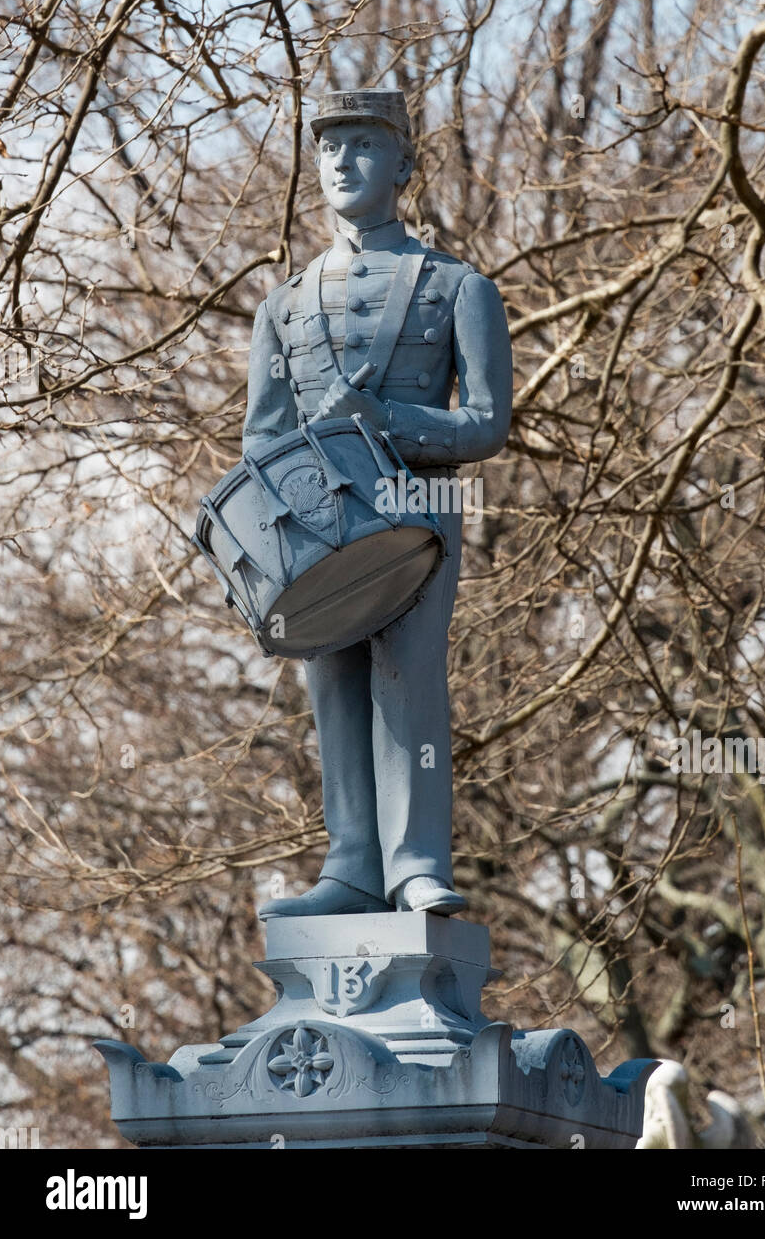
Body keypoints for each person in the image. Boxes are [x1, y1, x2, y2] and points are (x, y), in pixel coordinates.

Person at [243, 88, 512, 916]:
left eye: (363, 144)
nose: (342, 161)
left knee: (407, 683)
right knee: (332, 682)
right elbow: (261, 438)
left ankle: (417, 863)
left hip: (415, 510)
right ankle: (352, 865)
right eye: (329, 147)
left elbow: (487, 423)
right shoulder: (283, 302)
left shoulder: (459, 288)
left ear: (402, 163)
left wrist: (388, 420)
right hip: (322, 524)